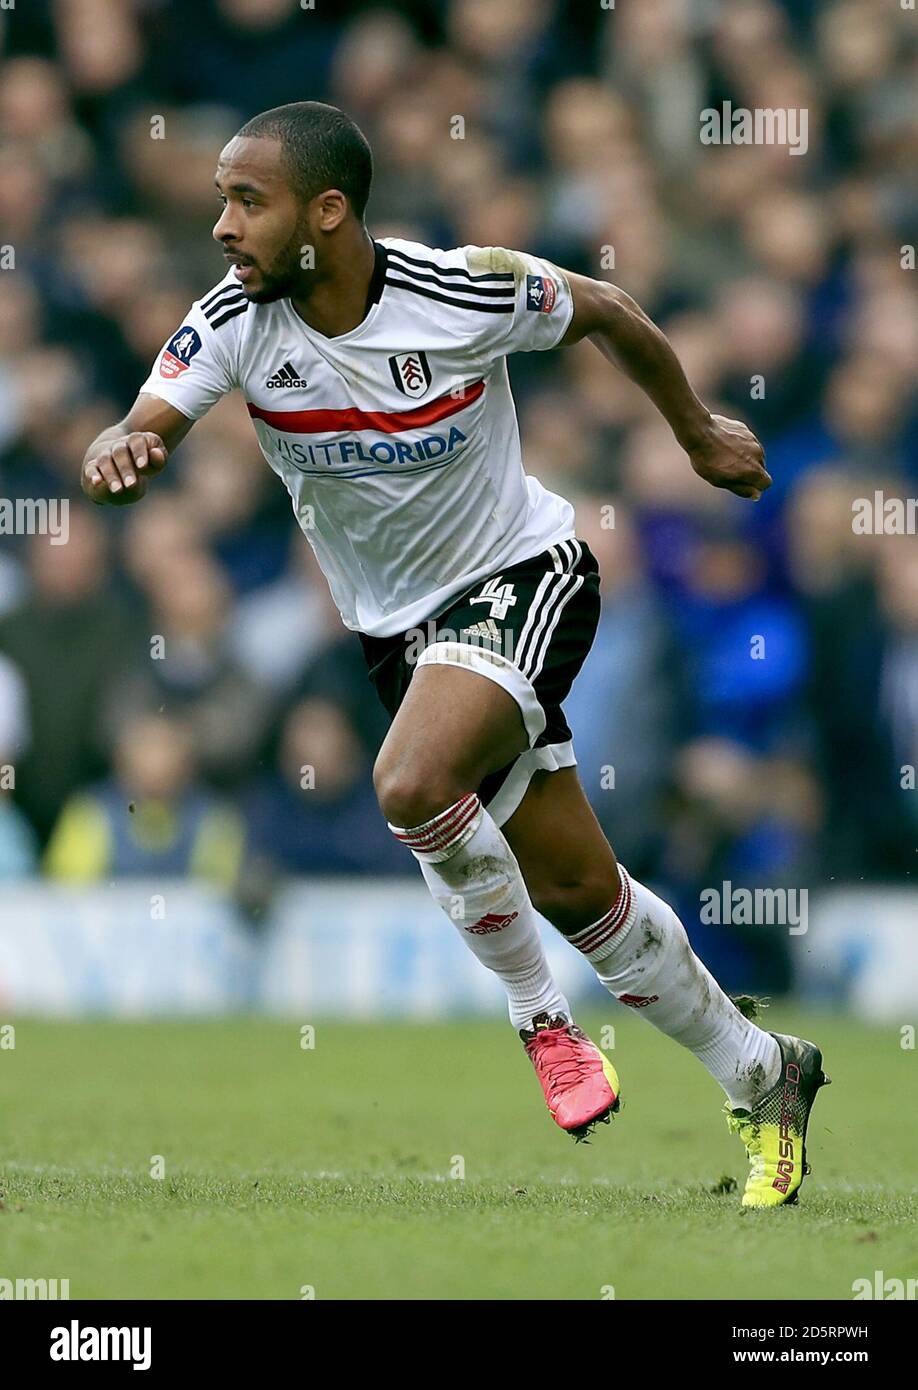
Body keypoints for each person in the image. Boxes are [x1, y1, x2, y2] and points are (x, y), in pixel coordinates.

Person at [80, 101, 828, 1207]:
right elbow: (141, 416)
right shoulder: (235, 319)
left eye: (249, 201)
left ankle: (543, 1027)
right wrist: (123, 444)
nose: (224, 227)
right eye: (222, 200)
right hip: (404, 639)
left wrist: (698, 431)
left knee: (409, 780)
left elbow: (611, 310)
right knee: (584, 893)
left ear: (325, 213)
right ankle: (766, 1074)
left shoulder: (462, 288)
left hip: (528, 576)